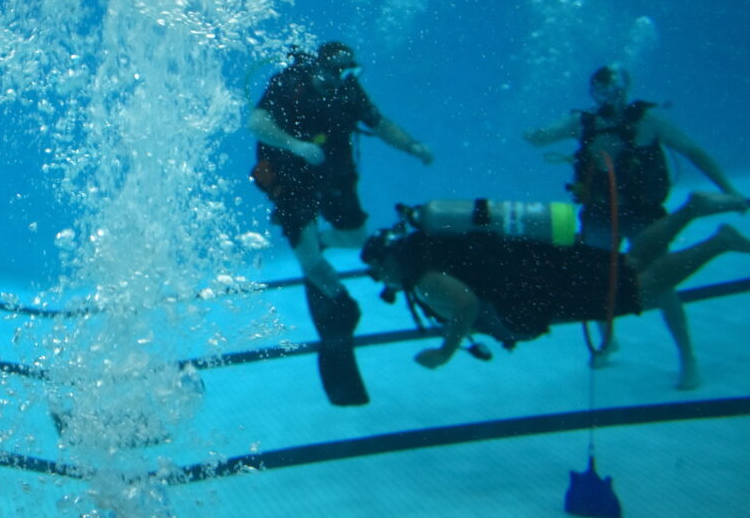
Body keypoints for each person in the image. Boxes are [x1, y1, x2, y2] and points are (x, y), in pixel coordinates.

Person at [523, 64, 743, 389]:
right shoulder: (584, 122)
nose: (605, 97)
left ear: (623, 89)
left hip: (642, 214)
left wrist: (729, 189)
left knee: (663, 281)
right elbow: (539, 138)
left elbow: (693, 151)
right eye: (598, 90)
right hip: (599, 213)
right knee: (595, 278)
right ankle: (607, 341)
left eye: (610, 89)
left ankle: (688, 358)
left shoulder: (649, 119)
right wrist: (532, 129)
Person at [361, 191, 750, 373]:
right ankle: (690, 210)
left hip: (538, 287)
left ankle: (719, 242)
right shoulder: (428, 239)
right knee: (628, 262)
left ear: (387, 263)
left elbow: (464, 305)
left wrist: (444, 353)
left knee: (638, 291)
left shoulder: (424, 279)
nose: (386, 284)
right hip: (541, 259)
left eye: (380, 275)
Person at [249, 41, 433, 404]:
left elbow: (379, 124)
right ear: (317, 68)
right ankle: (337, 297)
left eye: (349, 72)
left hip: (333, 169)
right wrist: (294, 145)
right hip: (292, 174)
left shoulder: (348, 90)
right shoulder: (289, 83)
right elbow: (257, 122)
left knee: (355, 236)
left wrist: (412, 146)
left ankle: (318, 243)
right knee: (310, 261)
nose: (341, 80)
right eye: (335, 72)